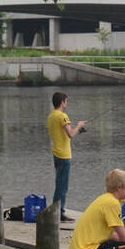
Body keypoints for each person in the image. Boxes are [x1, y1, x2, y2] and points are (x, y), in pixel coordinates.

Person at [46, 91, 86, 224]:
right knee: (62, 186)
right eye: (66, 101)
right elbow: (71, 134)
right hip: (64, 155)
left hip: (56, 154)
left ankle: (56, 210)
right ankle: (59, 213)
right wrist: (79, 126)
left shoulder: (51, 116)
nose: (66, 103)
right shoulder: (62, 116)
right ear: (62, 102)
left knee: (59, 184)